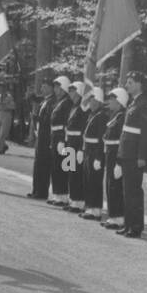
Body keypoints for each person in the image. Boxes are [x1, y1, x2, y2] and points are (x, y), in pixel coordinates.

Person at [117, 72, 147, 240]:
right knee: (127, 190)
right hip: (127, 152)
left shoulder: (144, 104)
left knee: (134, 191)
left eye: (130, 83)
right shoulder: (133, 103)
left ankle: (136, 226)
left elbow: (146, 134)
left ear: (139, 84)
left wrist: (142, 156)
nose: (127, 86)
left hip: (134, 155)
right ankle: (128, 224)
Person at [101, 87, 128, 230]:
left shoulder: (122, 117)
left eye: (112, 99)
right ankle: (113, 216)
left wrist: (119, 161)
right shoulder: (115, 116)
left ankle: (118, 217)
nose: (109, 102)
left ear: (119, 102)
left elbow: (122, 140)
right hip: (110, 152)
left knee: (115, 186)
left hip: (116, 153)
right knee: (110, 185)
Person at [80, 87, 107, 220]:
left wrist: (98, 157)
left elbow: (101, 139)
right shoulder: (92, 114)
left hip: (95, 151)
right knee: (88, 180)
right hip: (88, 150)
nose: (89, 102)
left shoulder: (102, 116)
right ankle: (89, 207)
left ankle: (95, 210)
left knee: (94, 181)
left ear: (97, 100)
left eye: (92, 99)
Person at [28, 79, 58, 200]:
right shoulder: (45, 101)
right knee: (37, 164)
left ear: (51, 88)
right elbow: (34, 99)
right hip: (40, 135)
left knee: (43, 165)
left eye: (45, 87)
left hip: (46, 138)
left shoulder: (52, 102)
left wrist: (37, 118)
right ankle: (36, 190)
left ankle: (41, 191)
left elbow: (48, 120)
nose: (42, 89)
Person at [47, 75, 73, 206]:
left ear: (63, 88)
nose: (55, 89)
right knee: (56, 166)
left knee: (63, 167)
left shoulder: (67, 103)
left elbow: (67, 123)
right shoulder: (59, 101)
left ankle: (63, 196)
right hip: (55, 136)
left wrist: (62, 140)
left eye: (57, 87)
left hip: (61, 138)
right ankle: (57, 194)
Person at [64, 81, 88, 212]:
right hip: (70, 141)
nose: (71, 93)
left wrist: (80, 149)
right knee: (69, 171)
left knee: (76, 173)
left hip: (77, 142)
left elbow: (83, 129)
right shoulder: (72, 106)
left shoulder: (83, 108)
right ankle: (72, 199)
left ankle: (78, 201)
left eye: (73, 90)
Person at [0, 82, 15, 155]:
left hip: (6, 114)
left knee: (2, 134)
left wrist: (6, 105)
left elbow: (13, 107)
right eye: (0, 87)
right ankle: (3, 145)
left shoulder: (9, 97)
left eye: (3, 87)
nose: (1, 89)